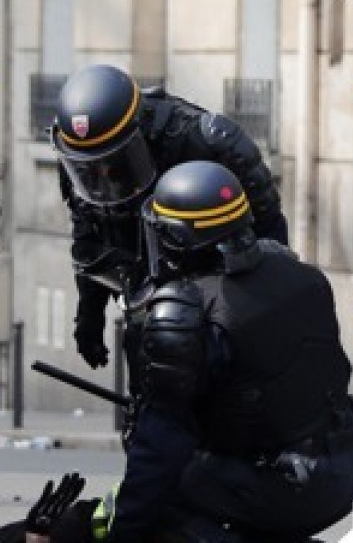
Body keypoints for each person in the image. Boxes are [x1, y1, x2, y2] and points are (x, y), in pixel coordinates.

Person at [86, 160, 353, 543]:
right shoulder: (304, 277)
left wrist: (123, 532)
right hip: (342, 471)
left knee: (164, 490)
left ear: (178, 240)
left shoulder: (187, 313)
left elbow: (159, 449)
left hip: (277, 492)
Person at [52, 64, 288, 375]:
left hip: (220, 299)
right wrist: (90, 315)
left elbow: (270, 226)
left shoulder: (208, 141)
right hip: (147, 303)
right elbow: (91, 239)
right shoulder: (79, 162)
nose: (104, 174)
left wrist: (272, 310)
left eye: (114, 161)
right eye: (94, 164)